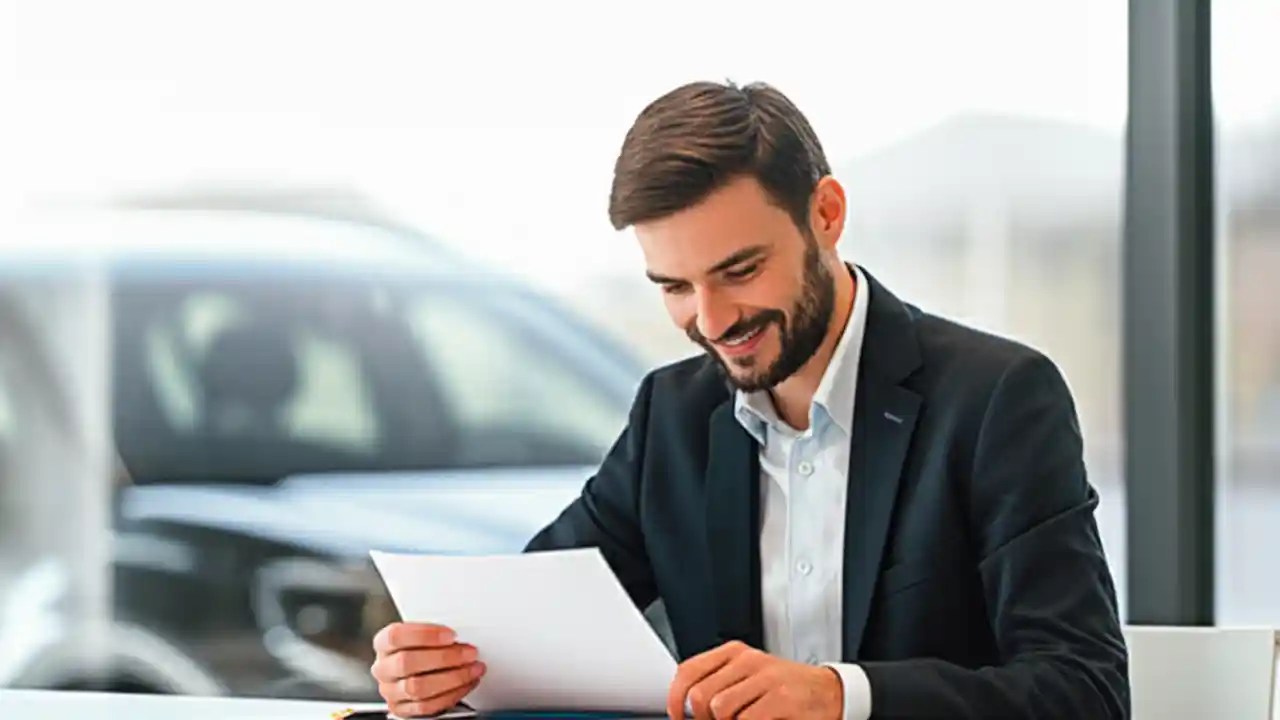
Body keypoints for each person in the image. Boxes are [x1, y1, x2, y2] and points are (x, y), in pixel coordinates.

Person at [369, 80, 1129, 719]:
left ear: (825, 216)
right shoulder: (672, 417)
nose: (710, 320)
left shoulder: (997, 400)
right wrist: (442, 665)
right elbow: (529, 623)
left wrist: (840, 697)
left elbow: (1085, 690)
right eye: (674, 287)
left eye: (739, 270)